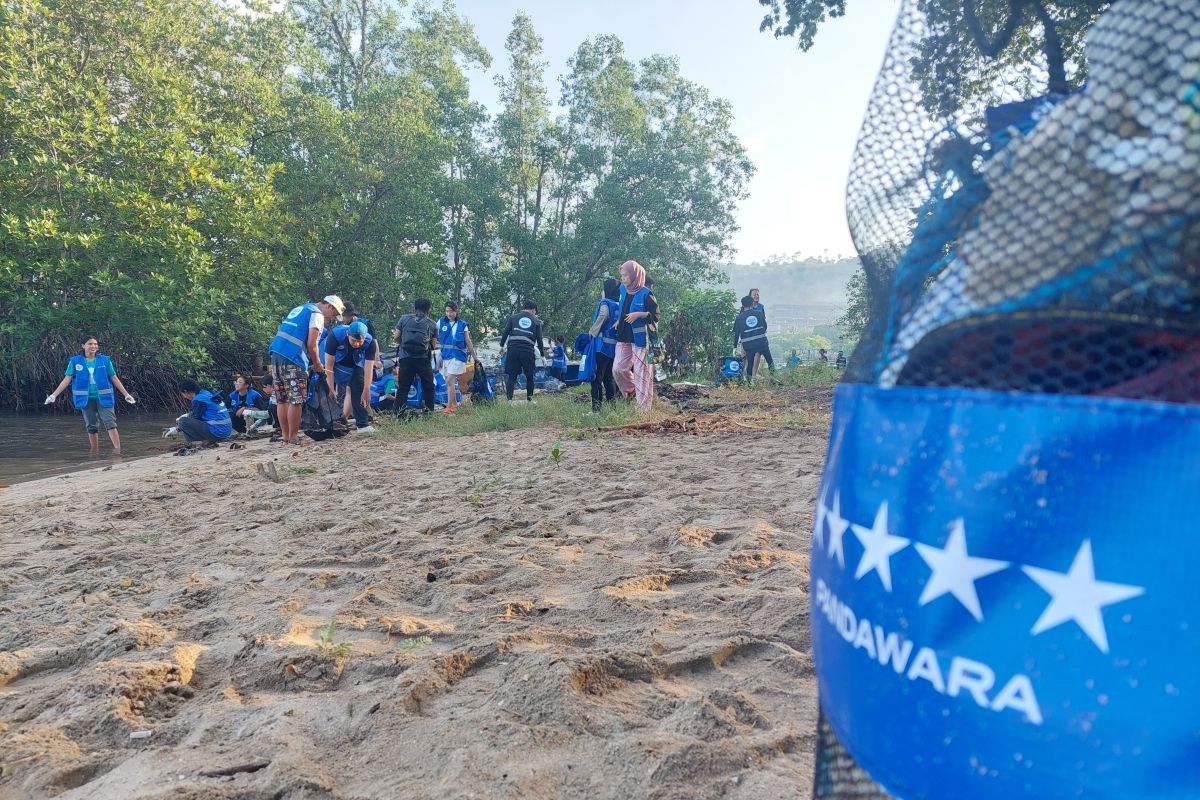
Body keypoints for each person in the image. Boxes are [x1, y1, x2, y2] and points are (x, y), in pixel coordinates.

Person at [268, 295, 343, 445]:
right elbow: (312, 344)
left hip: (276, 355)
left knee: (282, 399)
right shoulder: (317, 314)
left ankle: (285, 436)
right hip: (293, 357)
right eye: (333, 315)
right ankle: (294, 437)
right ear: (329, 306)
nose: (331, 318)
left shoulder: (300, 308)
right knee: (296, 399)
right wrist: (317, 364)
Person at [45, 336, 136, 454]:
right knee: (91, 426)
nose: (93, 346)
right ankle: (94, 452)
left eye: (95, 344)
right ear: (83, 346)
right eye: (90, 344)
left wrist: (126, 394)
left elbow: (114, 378)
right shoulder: (75, 361)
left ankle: (118, 451)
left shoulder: (105, 360)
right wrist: (54, 395)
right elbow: (67, 379)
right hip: (85, 399)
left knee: (110, 423)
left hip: (104, 398)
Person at [613, 260, 657, 413]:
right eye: (622, 275)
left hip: (641, 339)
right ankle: (632, 391)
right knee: (618, 369)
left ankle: (643, 410)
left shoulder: (646, 293)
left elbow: (656, 315)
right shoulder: (623, 290)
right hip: (623, 335)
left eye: (626, 275)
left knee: (642, 373)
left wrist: (639, 314)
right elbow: (622, 307)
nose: (623, 278)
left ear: (635, 275)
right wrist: (619, 321)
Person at [324, 320, 378, 433]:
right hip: (336, 361)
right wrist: (331, 388)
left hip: (355, 362)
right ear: (348, 334)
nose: (357, 344)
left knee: (358, 386)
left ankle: (361, 425)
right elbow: (329, 366)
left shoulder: (370, 342)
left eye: (360, 341)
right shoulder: (335, 336)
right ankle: (325, 422)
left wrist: (367, 389)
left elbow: (368, 368)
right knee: (326, 392)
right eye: (354, 340)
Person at [394, 298, 439, 415]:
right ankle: (429, 413)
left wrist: (403, 345)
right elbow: (433, 344)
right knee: (428, 386)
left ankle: (399, 414)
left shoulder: (404, 319)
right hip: (423, 359)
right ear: (428, 310)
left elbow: (396, 337)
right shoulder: (432, 324)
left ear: (414, 308)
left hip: (405, 358)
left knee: (403, 387)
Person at [499, 300, 546, 403]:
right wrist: (543, 356)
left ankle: (509, 401)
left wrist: (502, 346)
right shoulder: (536, 321)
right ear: (533, 310)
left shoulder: (513, 317)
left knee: (512, 376)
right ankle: (530, 400)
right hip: (527, 351)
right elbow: (539, 339)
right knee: (529, 376)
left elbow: (506, 332)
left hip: (513, 350)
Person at [438, 301, 477, 414]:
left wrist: (475, 357)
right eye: (447, 311)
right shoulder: (441, 322)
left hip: (458, 357)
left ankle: (449, 407)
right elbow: (433, 334)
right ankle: (455, 404)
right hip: (446, 357)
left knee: (449, 380)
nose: (449, 314)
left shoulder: (462, 324)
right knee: (449, 381)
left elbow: (468, 341)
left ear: (456, 311)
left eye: (451, 311)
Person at [587, 278, 621, 412]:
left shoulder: (605, 302)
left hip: (602, 347)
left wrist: (592, 332)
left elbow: (603, 316)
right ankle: (612, 409)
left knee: (596, 379)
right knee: (609, 379)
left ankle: (596, 410)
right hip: (614, 348)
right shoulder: (619, 304)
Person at [168, 378, 233, 445]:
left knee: (182, 421)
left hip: (218, 433)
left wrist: (177, 428)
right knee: (185, 420)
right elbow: (198, 414)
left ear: (186, 391)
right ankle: (205, 440)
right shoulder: (206, 393)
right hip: (226, 431)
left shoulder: (198, 400)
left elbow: (194, 418)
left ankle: (195, 443)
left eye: (183, 394)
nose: (184, 397)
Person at [733, 295, 771, 380]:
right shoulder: (759, 314)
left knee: (750, 363)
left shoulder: (739, 318)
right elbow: (765, 326)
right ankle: (773, 378)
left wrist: (735, 346)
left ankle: (749, 382)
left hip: (749, 345)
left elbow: (737, 333)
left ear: (742, 305)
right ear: (752, 303)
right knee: (769, 361)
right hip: (762, 342)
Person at [746, 288, 775, 372]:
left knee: (759, 354)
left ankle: (755, 374)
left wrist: (764, 330)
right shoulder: (746, 307)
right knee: (748, 357)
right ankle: (745, 376)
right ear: (750, 296)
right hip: (749, 336)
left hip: (760, 336)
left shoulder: (761, 307)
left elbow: (763, 319)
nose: (756, 296)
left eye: (757, 294)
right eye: (754, 294)